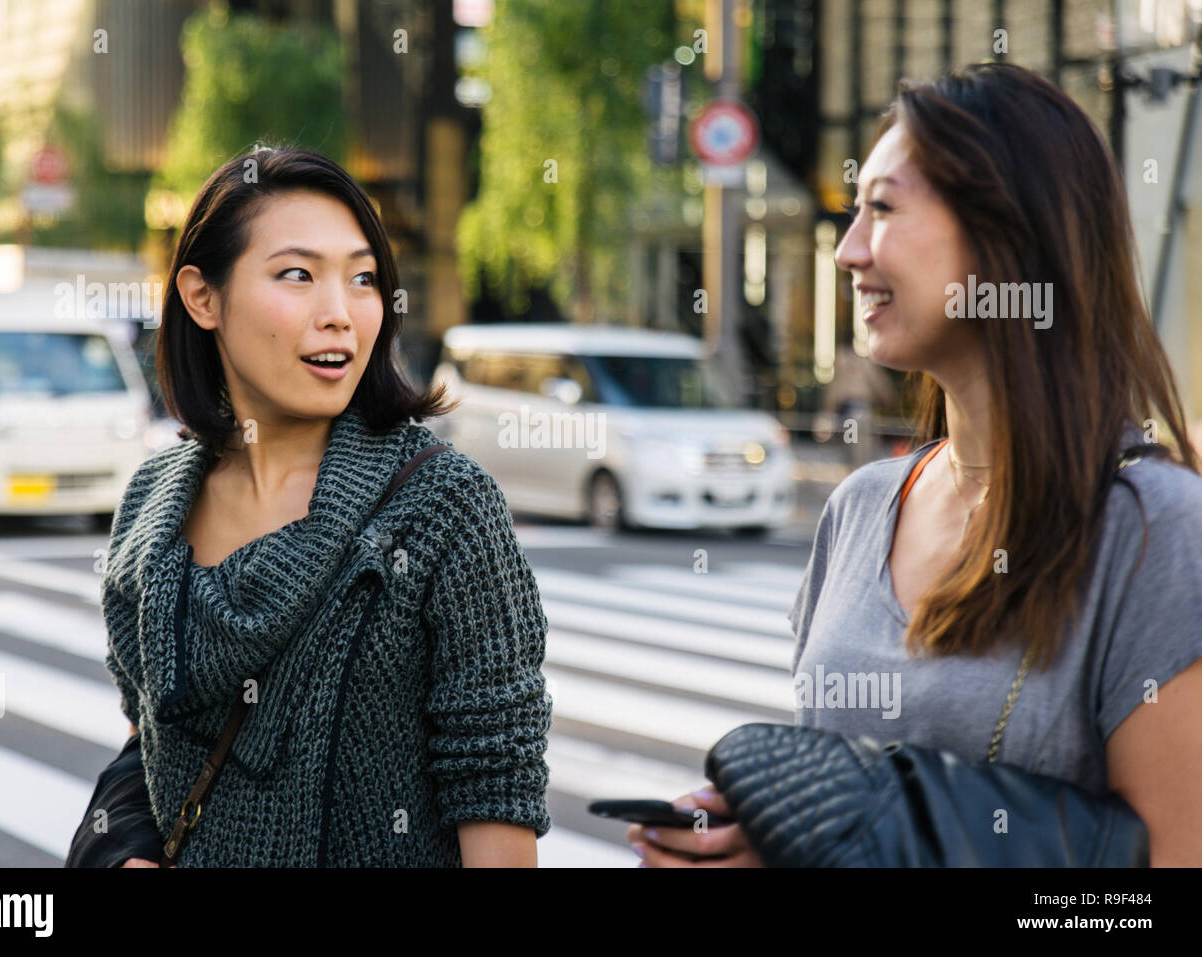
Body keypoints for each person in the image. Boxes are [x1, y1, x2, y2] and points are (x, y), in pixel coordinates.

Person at [629, 62, 1202, 867]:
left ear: (1008, 232)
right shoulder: (861, 508)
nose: (849, 251)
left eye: (884, 209)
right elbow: (851, 818)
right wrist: (767, 838)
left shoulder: (1155, 529)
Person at [95, 145, 552, 866]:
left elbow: (496, 802)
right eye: (298, 275)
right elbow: (147, 751)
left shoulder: (446, 510)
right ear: (201, 296)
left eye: (363, 278)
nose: (340, 314)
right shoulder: (152, 509)